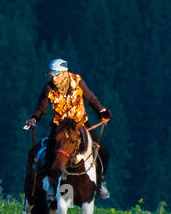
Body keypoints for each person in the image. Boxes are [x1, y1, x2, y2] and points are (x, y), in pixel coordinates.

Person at [23, 58, 111, 198]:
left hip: (80, 124)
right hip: (60, 127)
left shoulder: (77, 81)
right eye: (52, 74)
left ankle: (99, 183)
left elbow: (91, 99)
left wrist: (101, 111)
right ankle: (51, 185)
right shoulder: (49, 88)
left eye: (57, 74)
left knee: (104, 152)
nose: (54, 77)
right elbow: (41, 109)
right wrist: (34, 119)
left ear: (65, 73)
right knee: (51, 152)